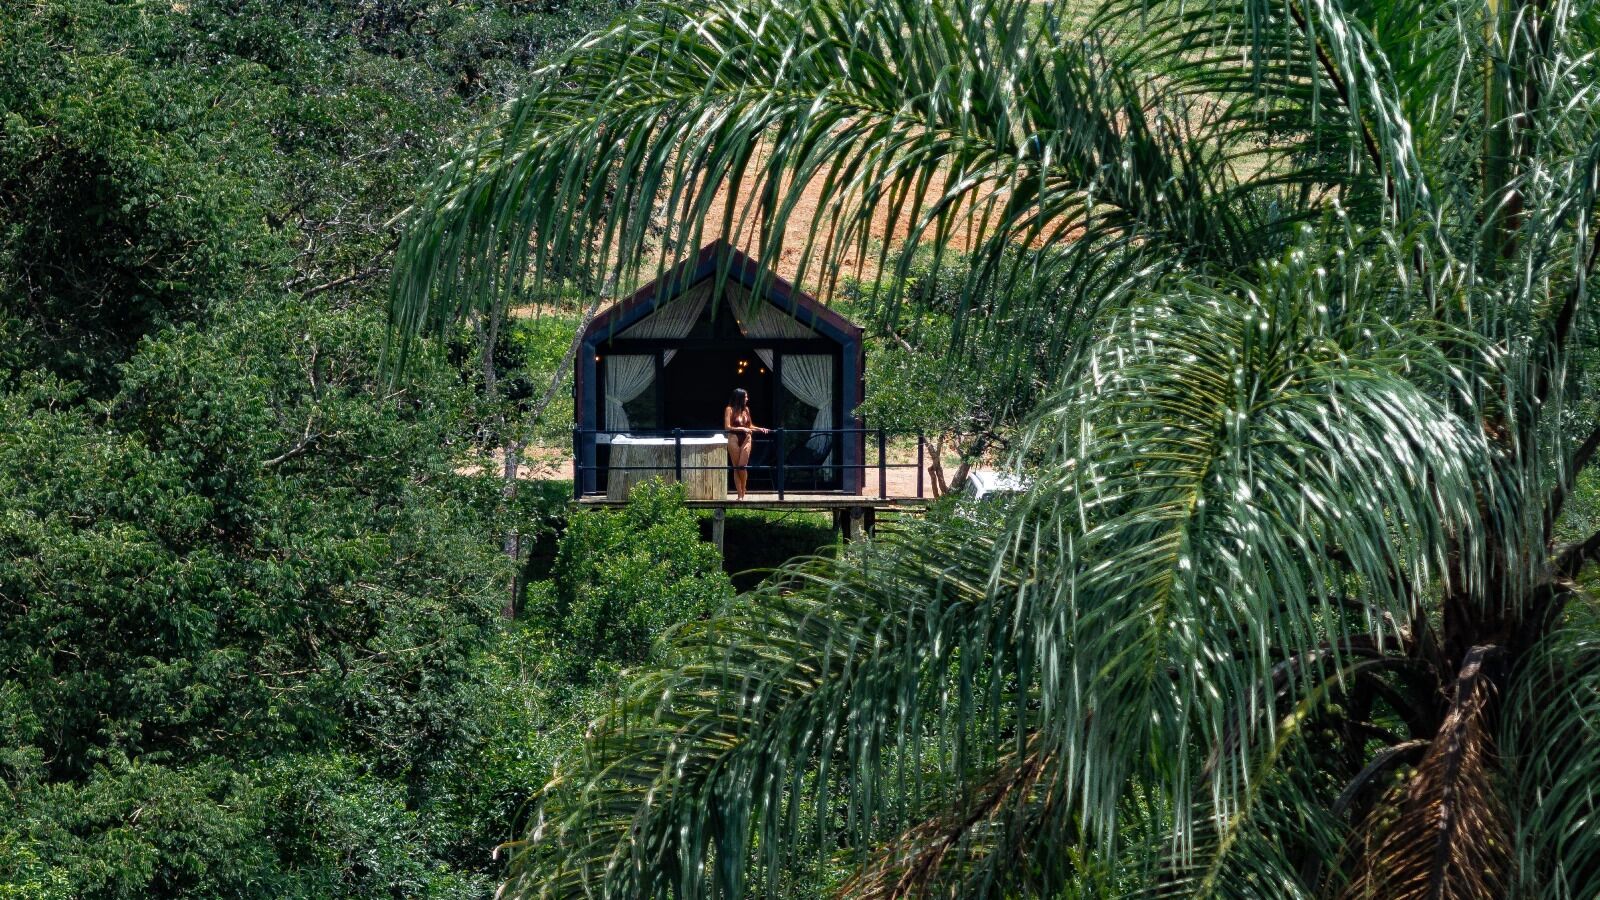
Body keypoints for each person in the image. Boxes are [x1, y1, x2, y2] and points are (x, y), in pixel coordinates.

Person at [723, 388, 768, 500]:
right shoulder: (729, 409)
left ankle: (744, 489)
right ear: (740, 398)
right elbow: (727, 427)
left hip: (747, 438)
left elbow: (750, 426)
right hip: (733, 437)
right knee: (736, 467)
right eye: (745, 397)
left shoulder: (746, 409)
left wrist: (760, 428)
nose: (747, 399)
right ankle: (740, 495)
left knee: (742, 466)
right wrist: (742, 428)